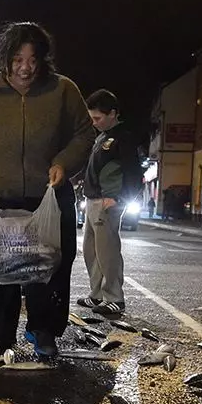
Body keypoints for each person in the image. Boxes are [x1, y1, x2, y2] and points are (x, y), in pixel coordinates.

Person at [0, 21, 93, 358]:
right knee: (1, 269)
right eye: (17, 59)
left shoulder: (63, 90)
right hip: (1, 199)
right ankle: (0, 333)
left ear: (43, 59)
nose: (26, 67)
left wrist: (63, 162)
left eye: (32, 59)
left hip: (49, 199)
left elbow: (84, 133)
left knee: (50, 269)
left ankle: (45, 331)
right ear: (5, 59)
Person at [74, 90, 137, 316]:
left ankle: (114, 298)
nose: (94, 123)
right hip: (93, 200)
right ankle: (97, 295)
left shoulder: (122, 137)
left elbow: (133, 173)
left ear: (112, 114)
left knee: (107, 251)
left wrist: (120, 198)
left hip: (107, 201)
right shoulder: (102, 137)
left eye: (98, 118)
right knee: (91, 250)